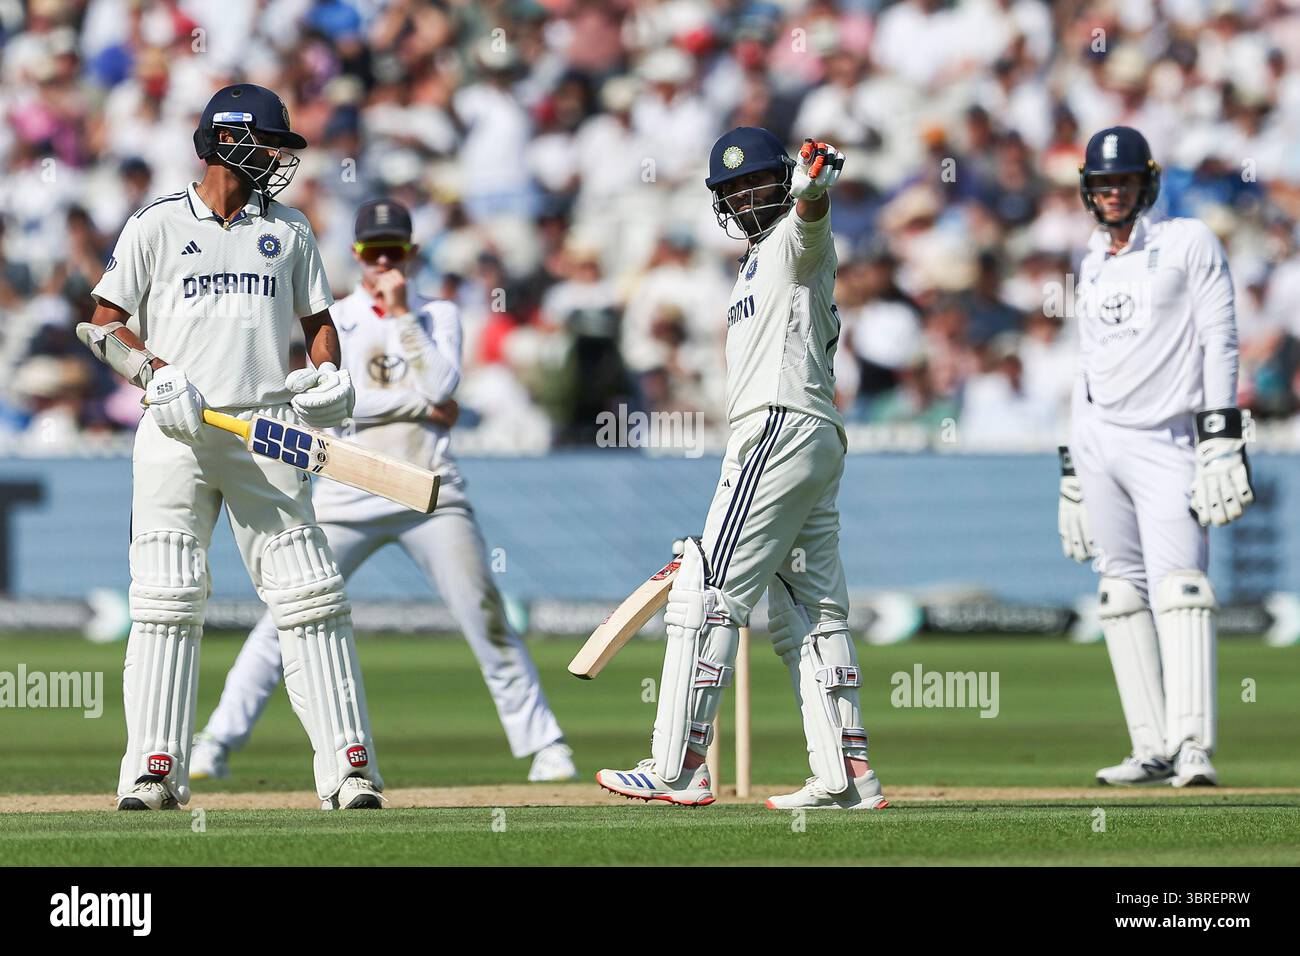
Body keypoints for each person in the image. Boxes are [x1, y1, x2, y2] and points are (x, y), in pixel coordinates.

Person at [189, 199, 577, 784]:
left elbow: (444, 384)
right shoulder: (337, 318)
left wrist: (401, 317)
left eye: (394, 251)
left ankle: (545, 745)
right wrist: (416, 405)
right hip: (347, 489)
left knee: (485, 615)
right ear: (357, 255)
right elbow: (332, 403)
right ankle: (216, 741)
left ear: (412, 253)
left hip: (430, 493)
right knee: (288, 615)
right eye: (374, 252)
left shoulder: (437, 313)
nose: (384, 263)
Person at [79, 84, 384, 810]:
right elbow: (102, 323)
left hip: (266, 430)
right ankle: (154, 773)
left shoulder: (291, 229)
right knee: (166, 597)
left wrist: (328, 375)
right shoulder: (156, 223)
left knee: (311, 596)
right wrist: (154, 374)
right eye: (268, 144)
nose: (279, 159)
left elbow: (318, 323)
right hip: (175, 428)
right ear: (226, 140)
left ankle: (349, 771)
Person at [596, 129, 888, 809]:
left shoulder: (791, 237)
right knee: (811, 610)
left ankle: (679, 765)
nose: (743, 198)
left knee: (706, 592)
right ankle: (848, 775)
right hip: (810, 432)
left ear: (781, 182)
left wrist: (812, 192)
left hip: (778, 425)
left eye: (754, 183)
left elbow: (811, 222)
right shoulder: (753, 262)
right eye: (731, 190)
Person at [1057, 126, 1253, 788]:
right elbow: (1085, 366)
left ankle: (1192, 745)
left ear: (1147, 183)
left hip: (1167, 437)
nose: (1114, 192)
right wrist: (1071, 471)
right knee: (1118, 591)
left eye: (1125, 181)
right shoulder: (1091, 259)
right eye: (1103, 182)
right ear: (1088, 189)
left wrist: (1221, 436)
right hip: (1100, 441)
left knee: (1182, 588)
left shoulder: (1188, 240)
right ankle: (1151, 747)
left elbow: (1220, 338)